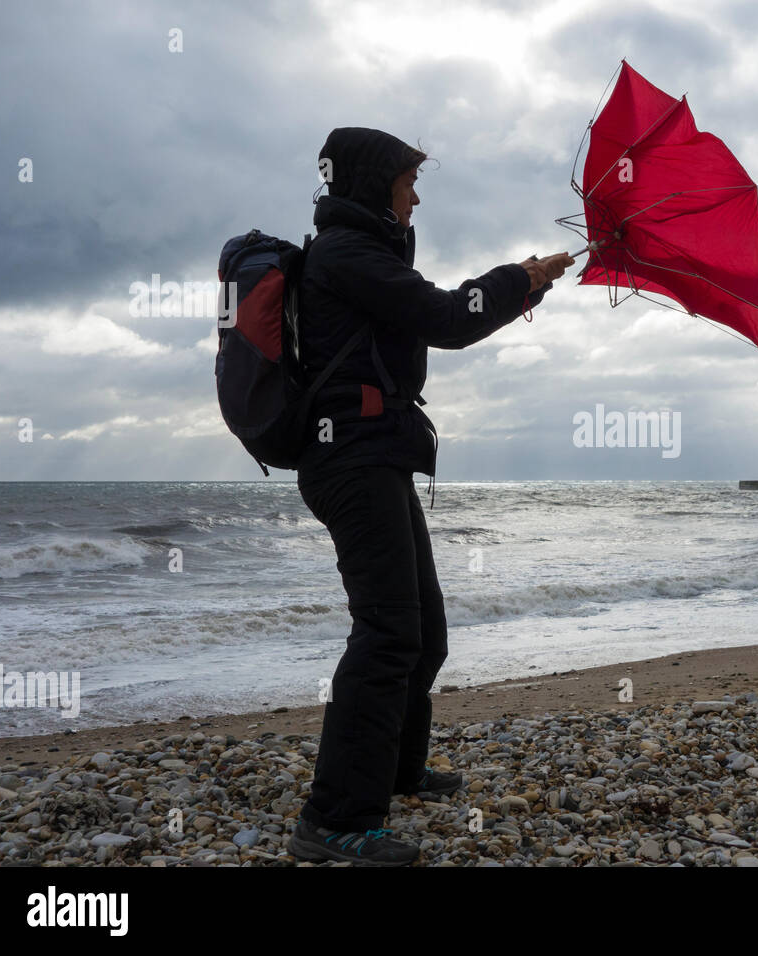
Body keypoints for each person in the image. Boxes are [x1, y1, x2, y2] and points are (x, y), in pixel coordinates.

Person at [287, 127, 574, 865]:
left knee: (426, 631)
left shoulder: (368, 250)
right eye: (408, 179)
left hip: (376, 456)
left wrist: (526, 282)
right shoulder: (348, 255)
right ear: (373, 182)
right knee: (387, 634)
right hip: (350, 461)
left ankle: (396, 770)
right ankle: (334, 819)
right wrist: (521, 277)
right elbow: (446, 317)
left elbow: (438, 312)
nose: (416, 193)